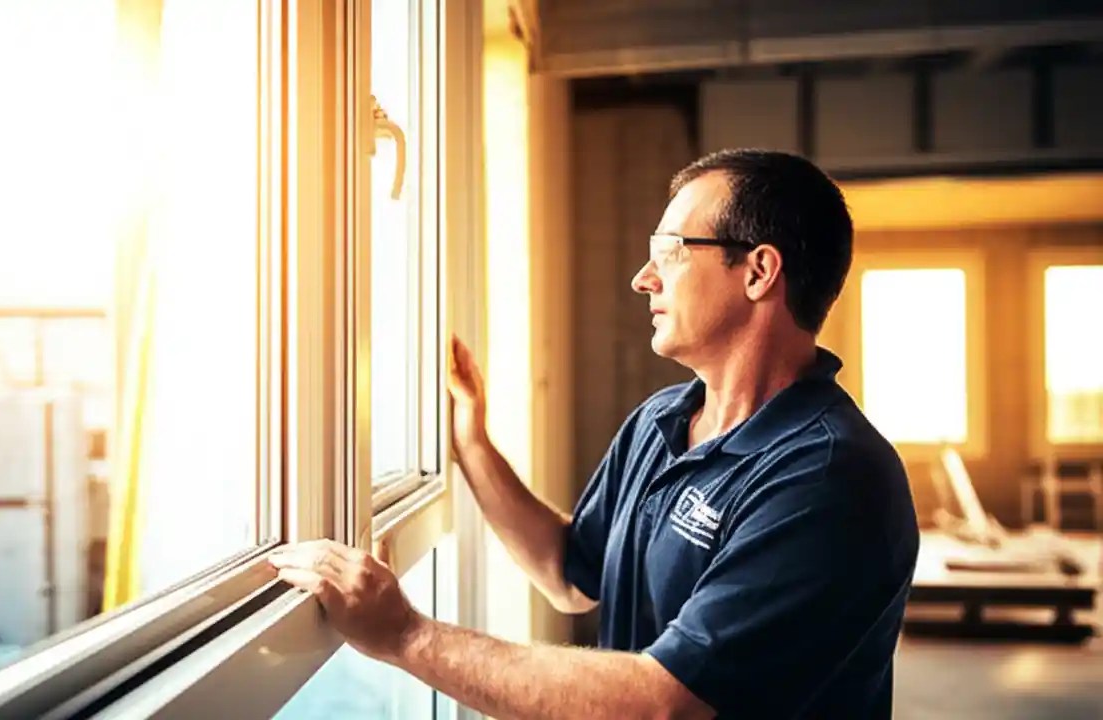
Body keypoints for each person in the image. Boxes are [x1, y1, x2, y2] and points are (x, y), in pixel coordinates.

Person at [269, 148, 920, 719]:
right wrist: (471, 442)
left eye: (669, 252)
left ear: (758, 271)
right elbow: (569, 574)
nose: (643, 278)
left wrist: (408, 636)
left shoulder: (830, 477)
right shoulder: (662, 421)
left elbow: (666, 704)